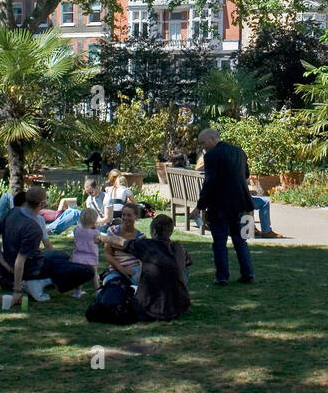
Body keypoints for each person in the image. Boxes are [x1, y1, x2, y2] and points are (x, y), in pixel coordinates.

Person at [0, 185, 93, 304]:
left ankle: (18, 281)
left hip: (9, 263)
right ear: (42, 204)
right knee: (87, 271)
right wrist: (17, 291)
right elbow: (20, 261)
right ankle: (37, 282)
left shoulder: (13, 212)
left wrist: (3, 260)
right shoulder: (33, 228)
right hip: (32, 267)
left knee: (60, 257)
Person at [193, 128, 255, 285]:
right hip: (241, 202)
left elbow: (209, 182)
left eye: (203, 143)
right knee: (241, 240)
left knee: (220, 242)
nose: (203, 147)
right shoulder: (239, 152)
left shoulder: (212, 156)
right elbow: (246, 174)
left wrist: (200, 206)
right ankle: (247, 272)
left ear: (213, 139)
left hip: (220, 204)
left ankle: (222, 276)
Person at [106, 214, 192, 321]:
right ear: (170, 232)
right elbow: (187, 262)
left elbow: (120, 242)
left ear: (154, 231)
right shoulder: (179, 248)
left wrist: (102, 237)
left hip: (150, 308)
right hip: (179, 307)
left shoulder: (146, 245)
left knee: (135, 272)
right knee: (183, 269)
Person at [101, 202, 146, 285]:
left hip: (134, 268)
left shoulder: (141, 237)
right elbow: (107, 254)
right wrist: (122, 269)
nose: (125, 218)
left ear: (136, 217)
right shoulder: (112, 231)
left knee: (139, 286)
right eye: (123, 215)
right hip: (116, 268)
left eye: (129, 215)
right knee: (111, 286)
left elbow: (142, 259)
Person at [70, 207, 103, 296]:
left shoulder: (76, 230)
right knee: (94, 274)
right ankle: (97, 290)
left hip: (78, 256)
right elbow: (98, 241)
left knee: (79, 275)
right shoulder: (96, 232)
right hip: (91, 257)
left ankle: (78, 291)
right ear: (94, 221)